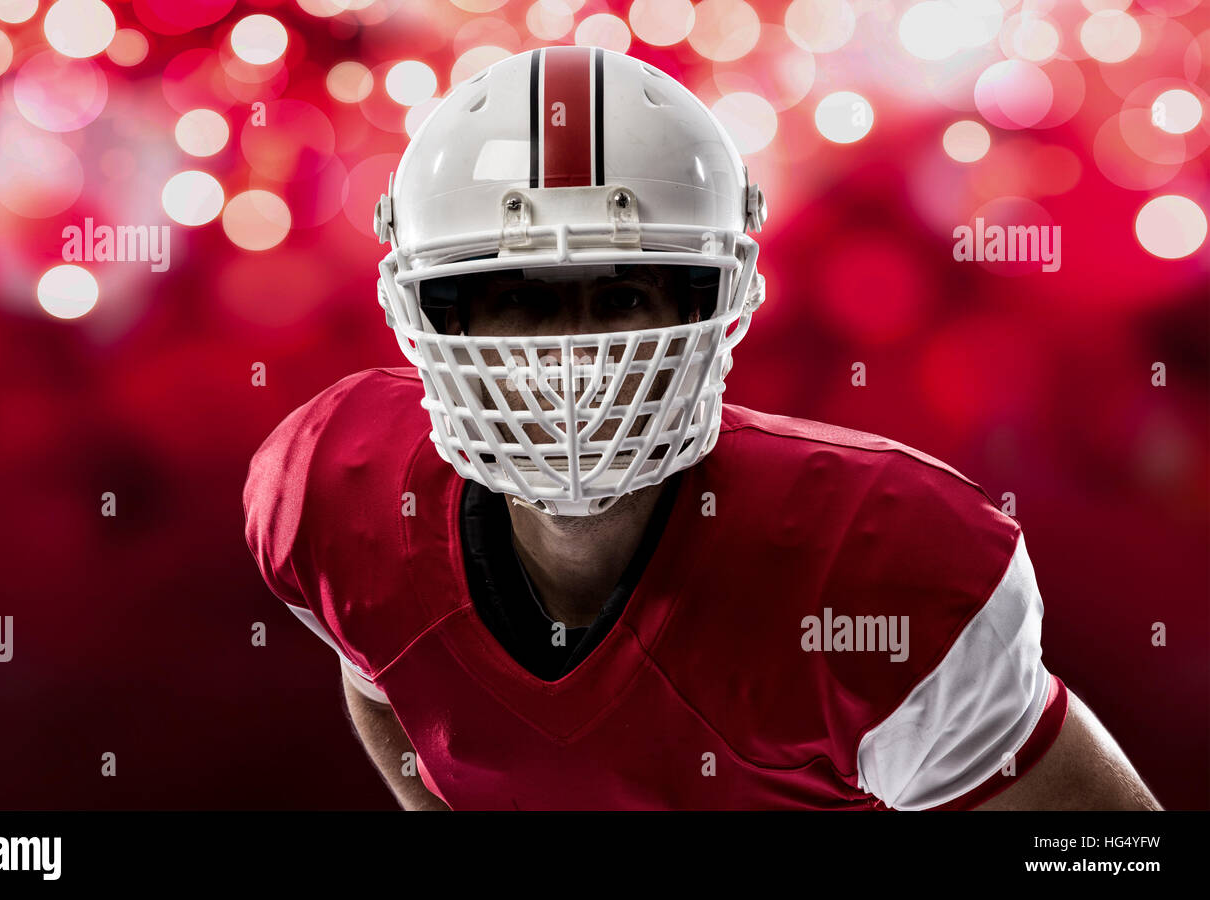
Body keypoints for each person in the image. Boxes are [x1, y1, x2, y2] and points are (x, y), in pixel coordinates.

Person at [243, 46, 1159, 810]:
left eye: (623, 296)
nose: (577, 360)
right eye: (520, 298)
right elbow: (385, 675)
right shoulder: (337, 491)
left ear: (723, 300)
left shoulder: (878, 559)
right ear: (431, 315)